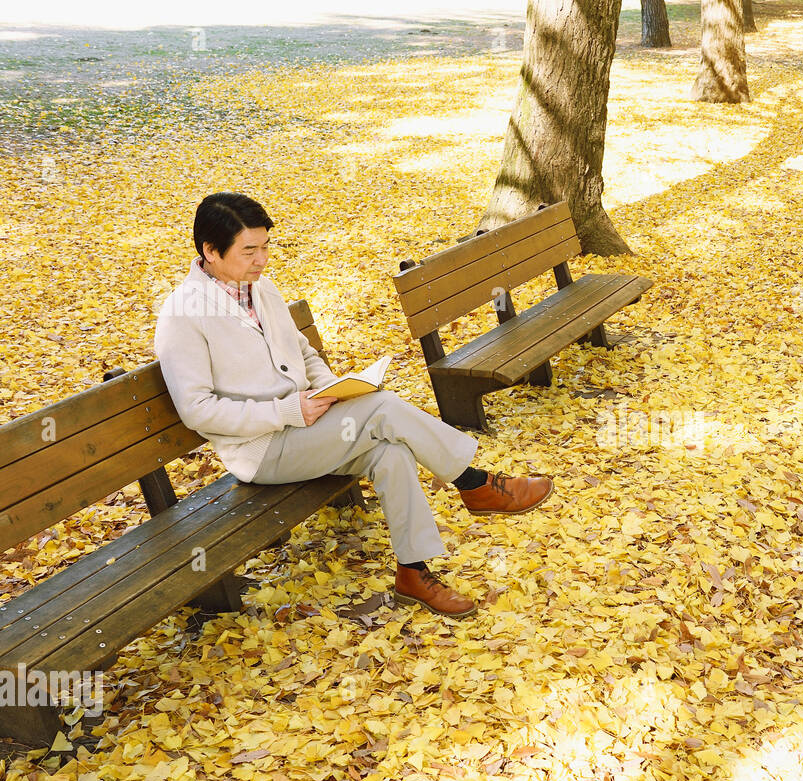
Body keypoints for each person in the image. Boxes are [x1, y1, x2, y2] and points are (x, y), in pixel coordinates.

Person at [155, 192, 552, 619]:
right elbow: (197, 411)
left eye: (265, 247)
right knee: (383, 410)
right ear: (210, 251)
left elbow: (303, 353)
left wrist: (336, 392)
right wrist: (288, 412)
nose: (261, 260)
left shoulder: (260, 289)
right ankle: (475, 483)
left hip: (309, 430)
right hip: (262, 449)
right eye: (249, 250)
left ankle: (413, 574)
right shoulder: (183, 315)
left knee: (391, 452)